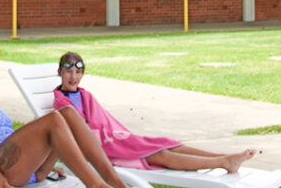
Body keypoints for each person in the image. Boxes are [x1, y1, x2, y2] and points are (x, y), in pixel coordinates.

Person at [0, 49, 140, 188]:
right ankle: (94, 186)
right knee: (54, 119)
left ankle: (112, 179)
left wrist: (37, 157)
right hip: (1, 169)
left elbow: (14, 137)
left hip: (25, 167)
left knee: (68, 113)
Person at [52, 51, 257, 173]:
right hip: (103, 150)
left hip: (116, 139)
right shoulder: (61, 103)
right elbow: (79, 133)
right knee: (162, 154)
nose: (73, 77)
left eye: (78, 72)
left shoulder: (85, 95)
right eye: (68, 71)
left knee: (166, 143)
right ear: (60, 72)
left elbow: (104, 120)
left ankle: (224, 156)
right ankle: (223, 163)